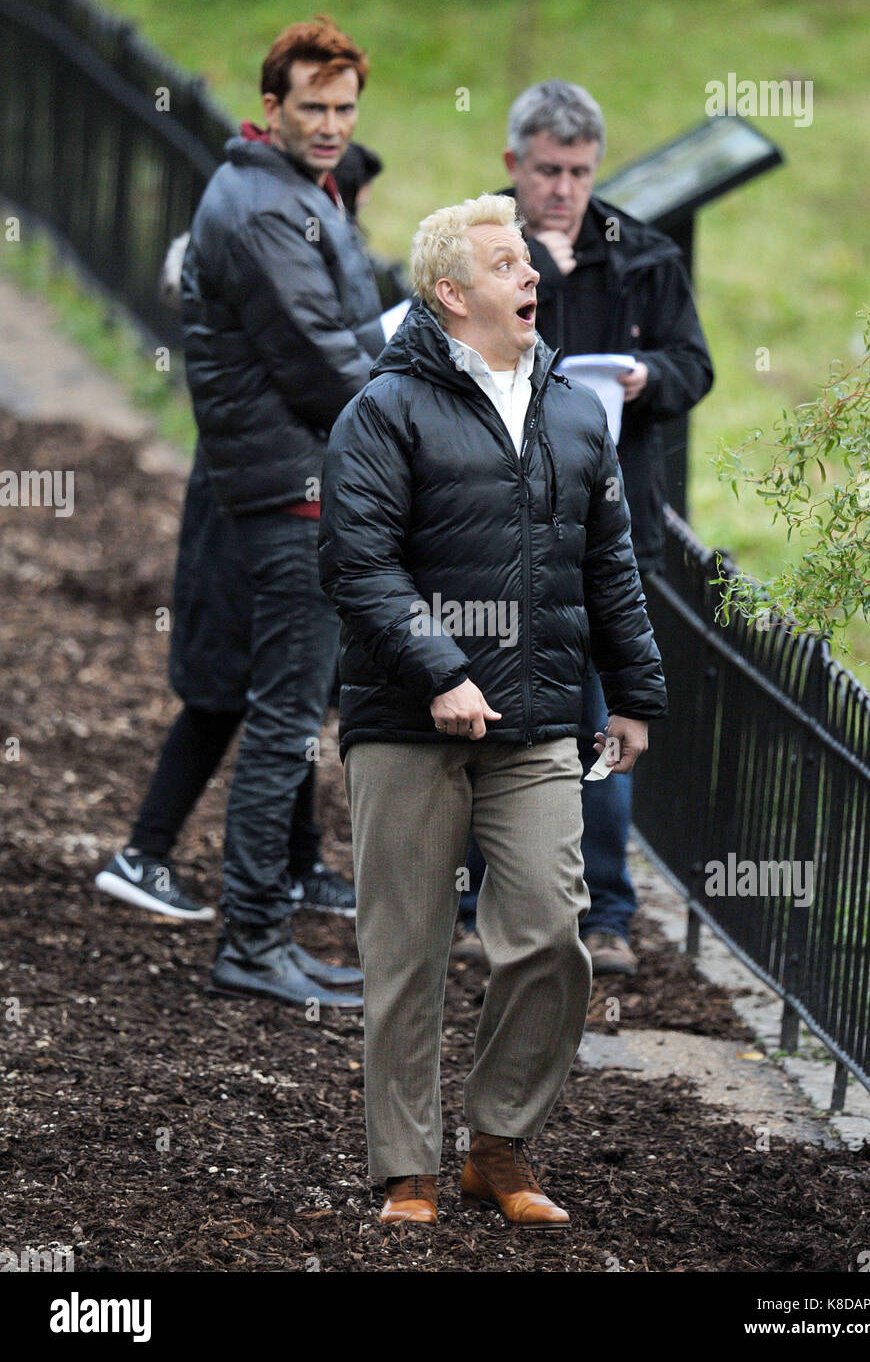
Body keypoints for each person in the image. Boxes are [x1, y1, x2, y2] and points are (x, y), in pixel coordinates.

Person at [318, 194, 667, 1226]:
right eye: (507, 264)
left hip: (534, 724)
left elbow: (609, 563)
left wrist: (636, 693)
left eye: (529, 262)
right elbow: (357, 562)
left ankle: (499, 1144)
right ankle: (407, 1170)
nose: (533, 278)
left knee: (552, 936)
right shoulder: (381, 410)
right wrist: (437, 668)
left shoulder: (570, 411)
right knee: (407, 948)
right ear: (449, 293)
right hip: (405, 722)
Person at [94, 128, 388, 943]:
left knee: (274, 694)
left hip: (250, 502)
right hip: (247, 515)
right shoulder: (267, 258)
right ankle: (148, 851)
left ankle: (293, 862)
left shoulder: (259, 246)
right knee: (241, 695)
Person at [454, 81, 713, 977]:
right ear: (512, 165)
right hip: (493, 528)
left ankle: (603, 911)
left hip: (608, 527)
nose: (562, 188)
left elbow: (694, 363)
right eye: (546, 170)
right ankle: (473, 898)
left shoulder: (640, 256)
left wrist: (646, 380)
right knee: (487, 717)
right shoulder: (478, 254)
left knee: (603, 722)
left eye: (577, 171)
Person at [177, 17, 386, 1008]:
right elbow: (318, 357)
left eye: (345, 108)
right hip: (291, 495)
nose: (333, 125)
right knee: (284, 726)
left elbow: (336, 335)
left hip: (291, 483)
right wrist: (421, 426)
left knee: (286, 721)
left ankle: (262, 938)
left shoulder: (288, 188)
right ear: (271, 108)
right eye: (314, 106)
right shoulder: (263, 208)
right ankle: (250, 942)